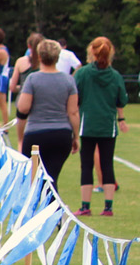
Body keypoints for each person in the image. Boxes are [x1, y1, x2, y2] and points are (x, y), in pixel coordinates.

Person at [74, 36, 127, 216]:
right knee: (107, 164)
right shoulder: (116, 76)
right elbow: (122, 100)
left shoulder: (83, 73)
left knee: (86, 165)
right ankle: (108, 207)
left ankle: (85, 206)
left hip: (87, 125)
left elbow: (75, 96)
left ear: (92, 52)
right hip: (108, 126)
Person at [17, 38, 80, 187]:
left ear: (39, 57)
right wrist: (76, 136)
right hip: (61, 134)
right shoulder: (68, 80)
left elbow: (23, 108)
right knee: (51, 179)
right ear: (57, 57)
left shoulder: (32, 79)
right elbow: (73, 112)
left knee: (33, 181)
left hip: (36, 134)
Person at [11, 33, 45, 149]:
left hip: (23, 103)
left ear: (28, 46)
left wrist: (21, 88)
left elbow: (12, 87)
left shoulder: (21, 62)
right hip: (40, 103)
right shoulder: (45, 63)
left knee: (21, 141)